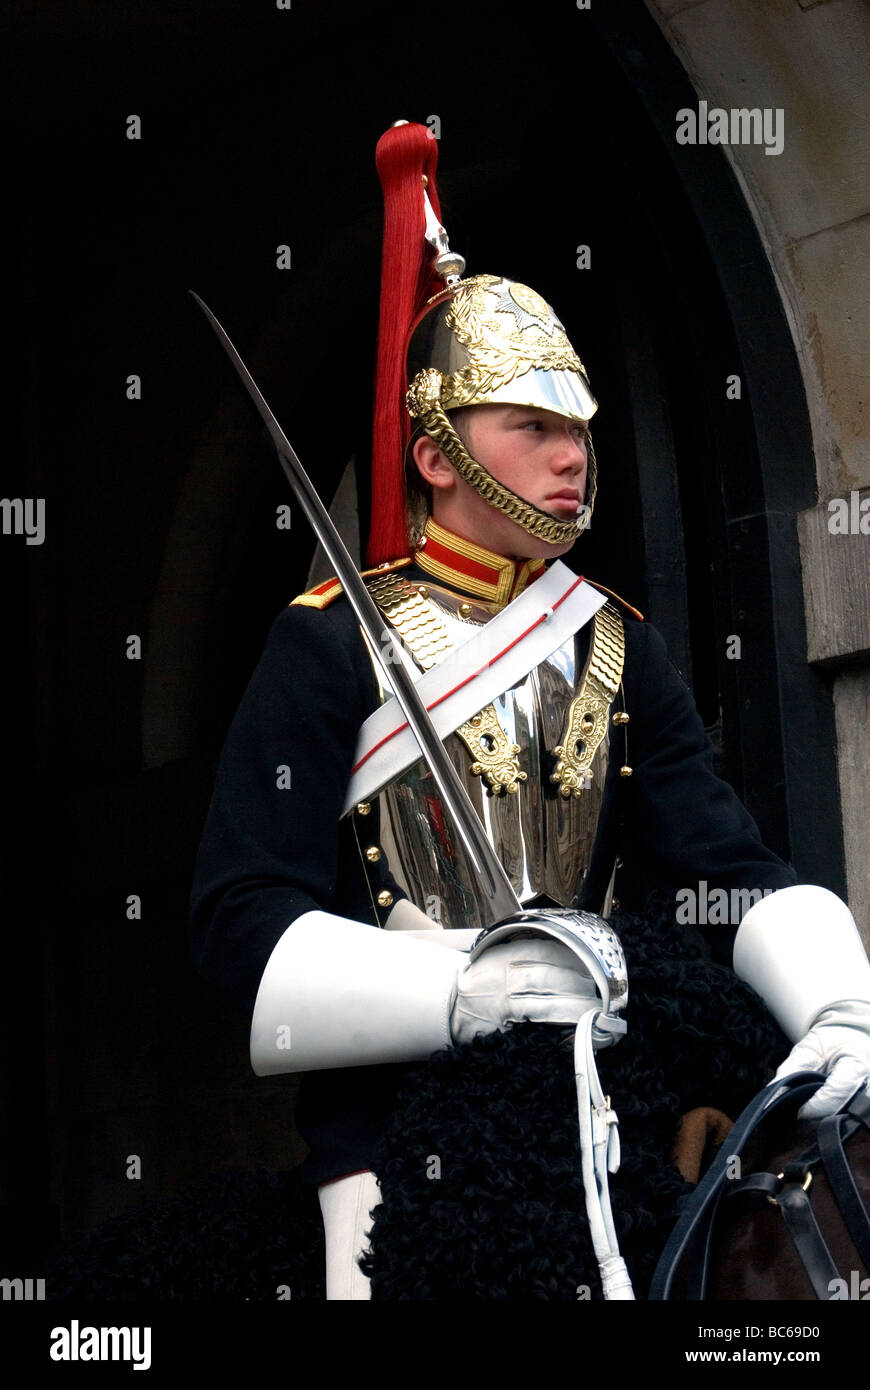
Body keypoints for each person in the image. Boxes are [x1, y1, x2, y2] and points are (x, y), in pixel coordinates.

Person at [190, 122, 870, 1300]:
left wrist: (837, 1008)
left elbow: (727, 864)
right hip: (398, 1147)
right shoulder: (326, 639)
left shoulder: (613, 641)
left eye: (580, 429)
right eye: (534, 426)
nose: (571, 457)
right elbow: (241, 932)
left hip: (612, 1123)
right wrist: (468, 987)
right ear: (438, 451)